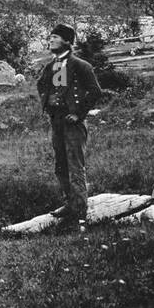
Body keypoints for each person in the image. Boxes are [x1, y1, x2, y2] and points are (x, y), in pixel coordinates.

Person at [34, 22, 103, 224]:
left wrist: (79, 113)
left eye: (55, 37)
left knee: (75, 165)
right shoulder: (51, 66)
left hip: (73, 123)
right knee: (60, 166)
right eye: (51, 37)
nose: (51, 40)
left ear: (67, 41)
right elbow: (42, 85)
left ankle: (80, 211)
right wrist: (48, 104)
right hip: (57, 122)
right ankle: (69, 203)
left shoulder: (81, 66)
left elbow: (96, 92)